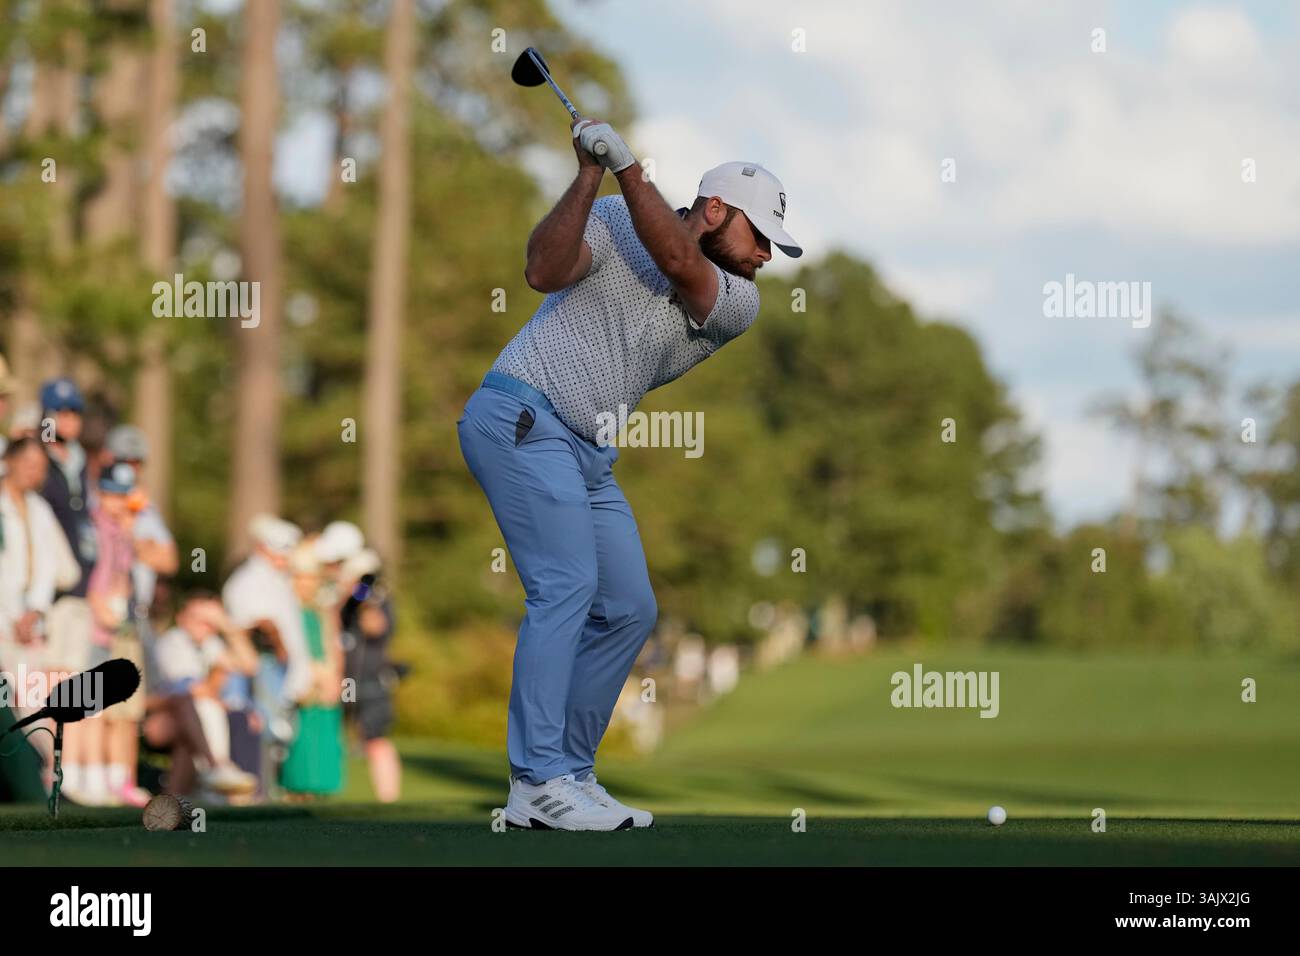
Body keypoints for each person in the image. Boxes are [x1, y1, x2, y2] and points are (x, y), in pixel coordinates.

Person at [456, 119, 800, 829]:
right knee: (568, 586)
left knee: (630, 607)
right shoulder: (612, 213)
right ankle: (536, 782)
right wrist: (589, 174)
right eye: (758, 236)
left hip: (586, 453)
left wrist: (628, 167)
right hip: (521, 417)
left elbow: (676, 262)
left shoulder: (737, 300)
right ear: (714, 210)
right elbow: (542, 272)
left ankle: (571, 775)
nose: (766, 255)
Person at [36, 377, 100, 803]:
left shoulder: (79, 462)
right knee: (49, 682)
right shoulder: (38, 460)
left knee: (73, 683)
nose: (68, 419)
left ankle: (69, 771)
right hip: (52, 593)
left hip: (81, 591)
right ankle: (49, 770)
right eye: (61, 412)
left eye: (74, 411)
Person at [85, 461, 150, 806]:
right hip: (98, 626)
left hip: (123, 623)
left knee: (127, 707)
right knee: (102, 706)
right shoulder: (93, 526)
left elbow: (126, 575)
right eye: (112, 494)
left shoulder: (125, 530)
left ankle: (120, 778)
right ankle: (99, 776)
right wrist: (99, 608)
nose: (118, 502)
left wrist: (130, 529)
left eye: (124, 496)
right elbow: (92, 578)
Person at [150, 593, 258, 797]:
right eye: (198, 619)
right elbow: (193, 690)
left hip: (185, 718)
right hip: (158, 717)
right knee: (202, 709)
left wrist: (227, 626)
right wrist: (219, 681)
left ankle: (177, 796)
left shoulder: (208, 643)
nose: (206, 626)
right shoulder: (173, 642)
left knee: (191, 730)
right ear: (182, 618)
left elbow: (250, 665)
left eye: (210, 622)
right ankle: (216, 767)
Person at [335, 548, 401, 802]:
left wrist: (366, 598)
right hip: (346, 682)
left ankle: (388, 797)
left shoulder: (378, 602)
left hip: (373, 683)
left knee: (375, 739)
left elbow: (374, 626)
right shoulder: (346, 603)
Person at [280, 544, 344, 799]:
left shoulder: (321, 609)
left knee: (323, 730)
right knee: (301, 733)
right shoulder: (289, 608)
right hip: (302, 674)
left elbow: (331, 642)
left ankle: (321, 786)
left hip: (324, 674)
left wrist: (333, 675)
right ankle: (297, 785)